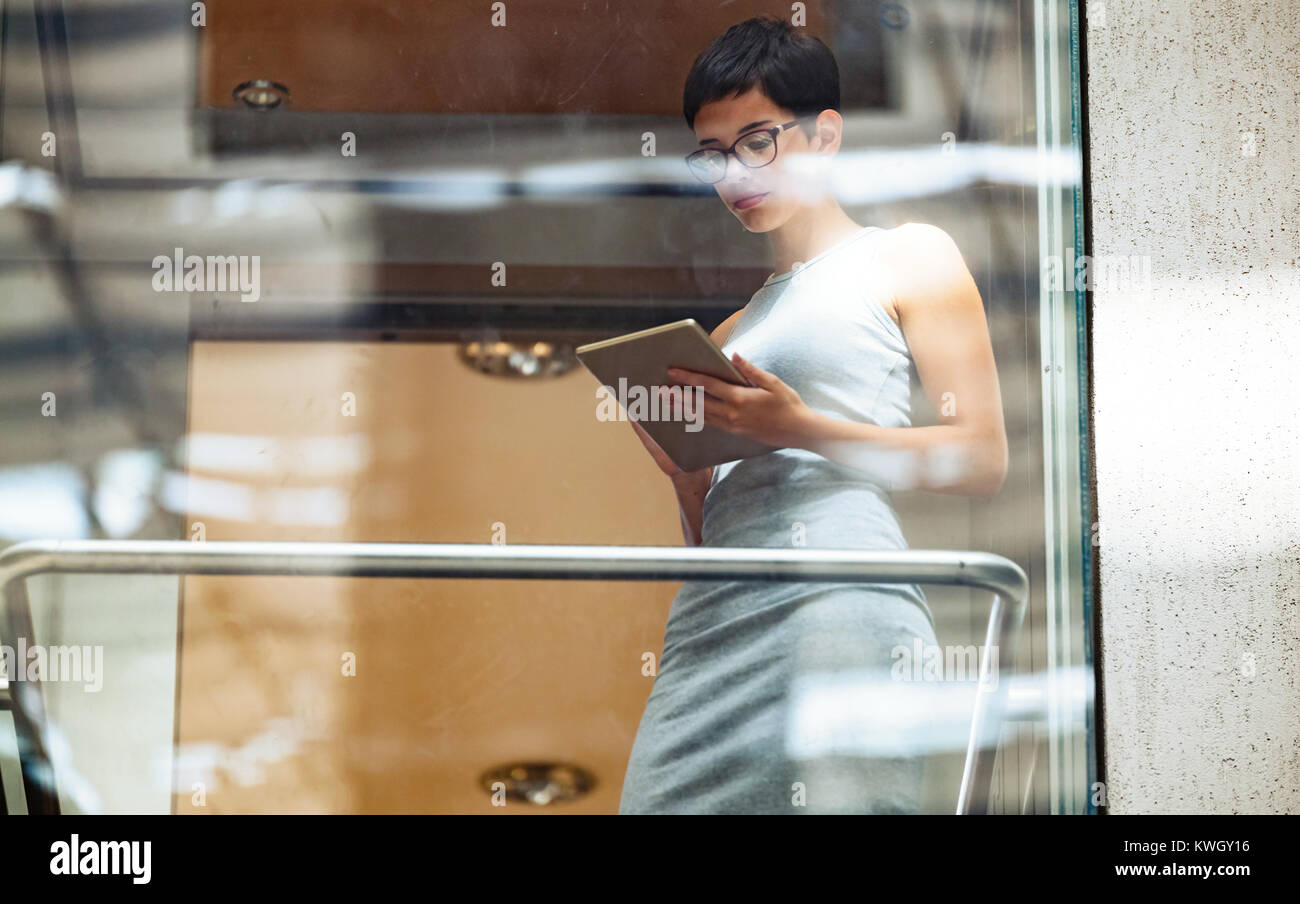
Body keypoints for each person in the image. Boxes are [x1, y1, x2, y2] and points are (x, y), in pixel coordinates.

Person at [616, 15, 1009, 814]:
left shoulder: (907, 254)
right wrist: (688, 474)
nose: (735, 174)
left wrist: (795, 427)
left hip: (838, 600)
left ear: (825, 134)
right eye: (714, 155)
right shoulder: (727, 333)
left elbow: (981, 458)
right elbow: (713, 528)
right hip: (711, 626)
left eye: (758, 141)